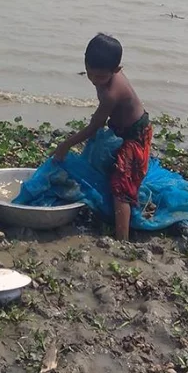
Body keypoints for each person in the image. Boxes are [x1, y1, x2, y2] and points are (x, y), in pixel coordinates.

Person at [53, 33, 152, 241]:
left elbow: (94, 126)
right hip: (120, 131)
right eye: (90, 74)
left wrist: (66, 145)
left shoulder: (111, 93)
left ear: (116, 70)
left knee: (120, 189)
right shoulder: (104, 76)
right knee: (109, 173)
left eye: (100, 77)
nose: (94, 80)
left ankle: (122, 239)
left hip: (135, 137)